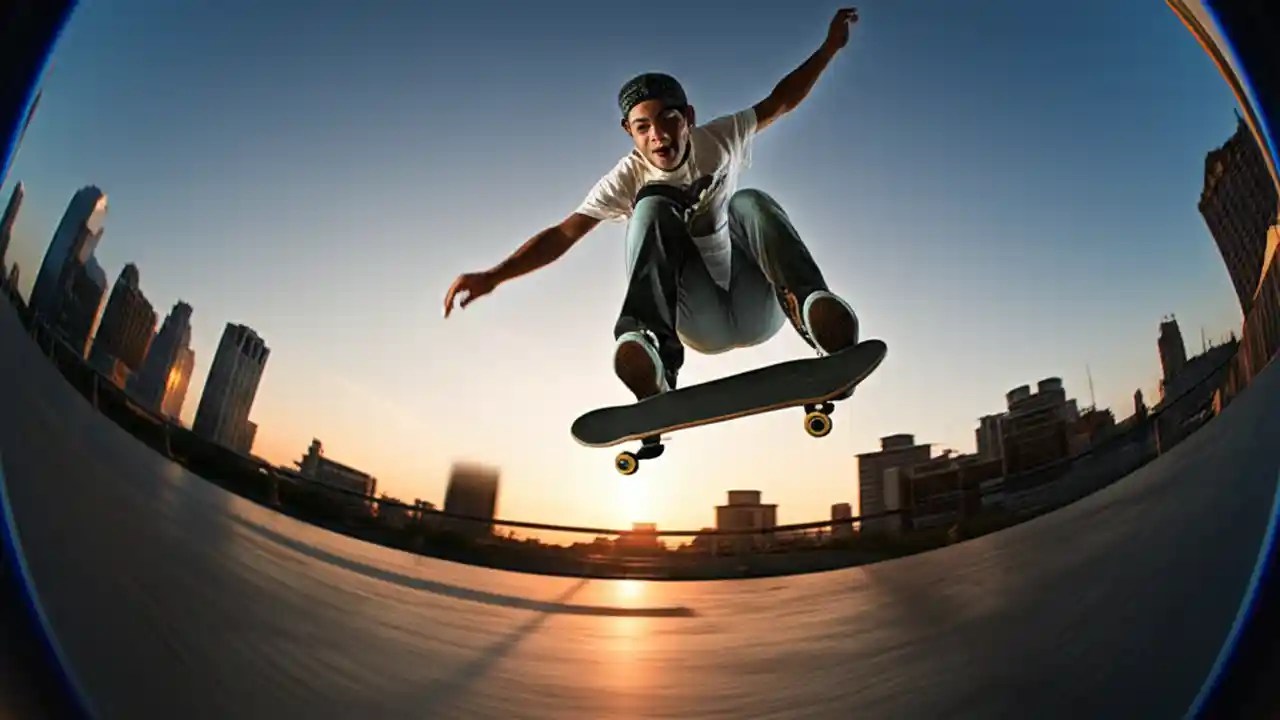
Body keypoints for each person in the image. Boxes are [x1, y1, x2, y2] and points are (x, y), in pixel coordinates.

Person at [445, 8, 863, 402]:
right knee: (650, 207)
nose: (659, 136)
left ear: (689, 117)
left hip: (760, 303)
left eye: (669, 120)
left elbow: (781, 100)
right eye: (643, 127)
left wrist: (829, 49)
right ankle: (653, 353)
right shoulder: (626, 177)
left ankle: (813, 312)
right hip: (697, 318)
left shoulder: (719, 138)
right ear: (629, 132)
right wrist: (495, 276)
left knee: (749, 201)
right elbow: (564, 233)